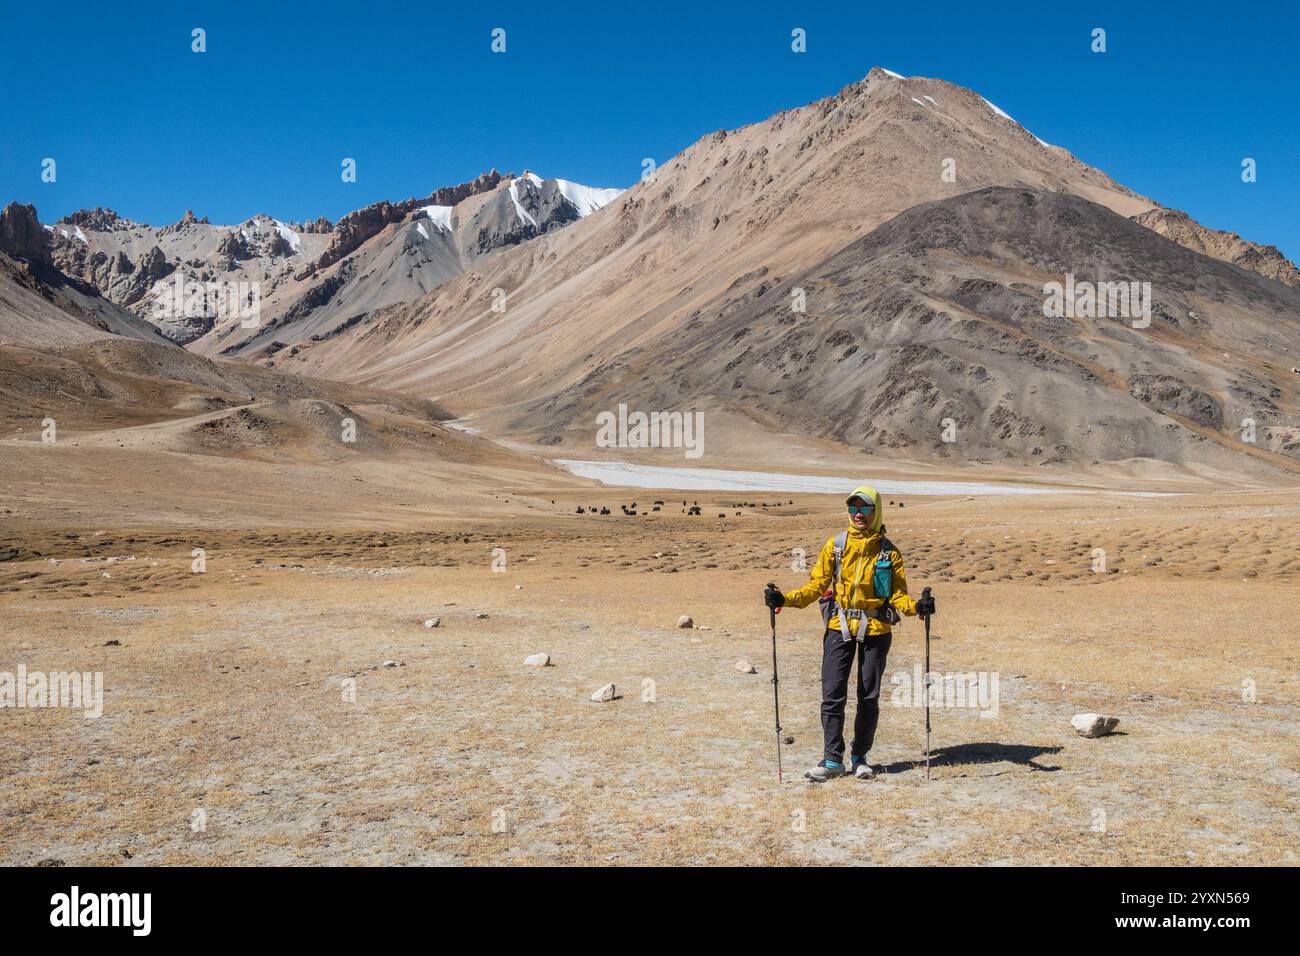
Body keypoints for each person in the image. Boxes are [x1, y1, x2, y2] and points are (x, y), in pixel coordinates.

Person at [764, 485, 934, 781]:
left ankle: (860, 757)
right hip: (838, 627)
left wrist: (917, 606)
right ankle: (832, 760)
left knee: (868, 696)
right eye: (853, 508)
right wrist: (784, 599)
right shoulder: (836, 546)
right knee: (832, 696)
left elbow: (897, 596)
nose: (858, 514)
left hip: (876, 629)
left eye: (865, 509)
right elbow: (815, 587)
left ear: (876, 512)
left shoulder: (889, 553)